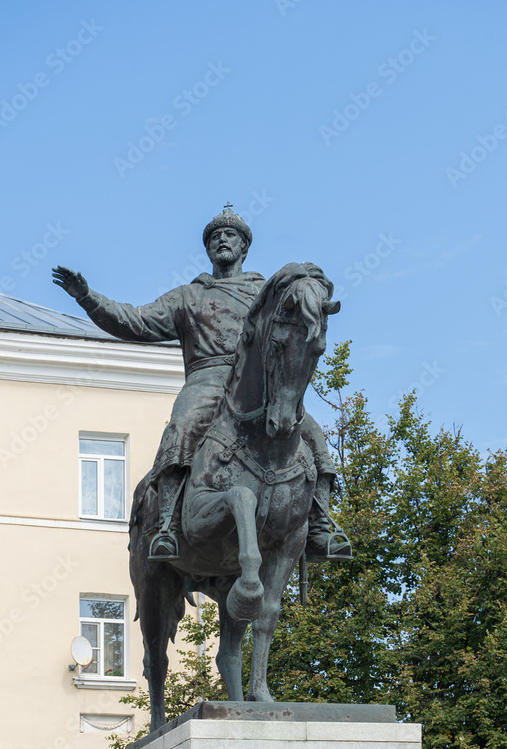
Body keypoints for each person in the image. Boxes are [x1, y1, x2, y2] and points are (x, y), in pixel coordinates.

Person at [53, 205, 351, 562]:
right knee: (182, 425)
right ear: (208, 249)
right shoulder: (188, 297)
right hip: (206, 380)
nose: (222, 240)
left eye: (231, 235)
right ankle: (167, 525)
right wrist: (88, 298)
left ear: (244, 247)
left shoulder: (264, 295)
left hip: (260, 384)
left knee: (313, 435)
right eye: (215, 237)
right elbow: (136, 321)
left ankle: (320, 525)